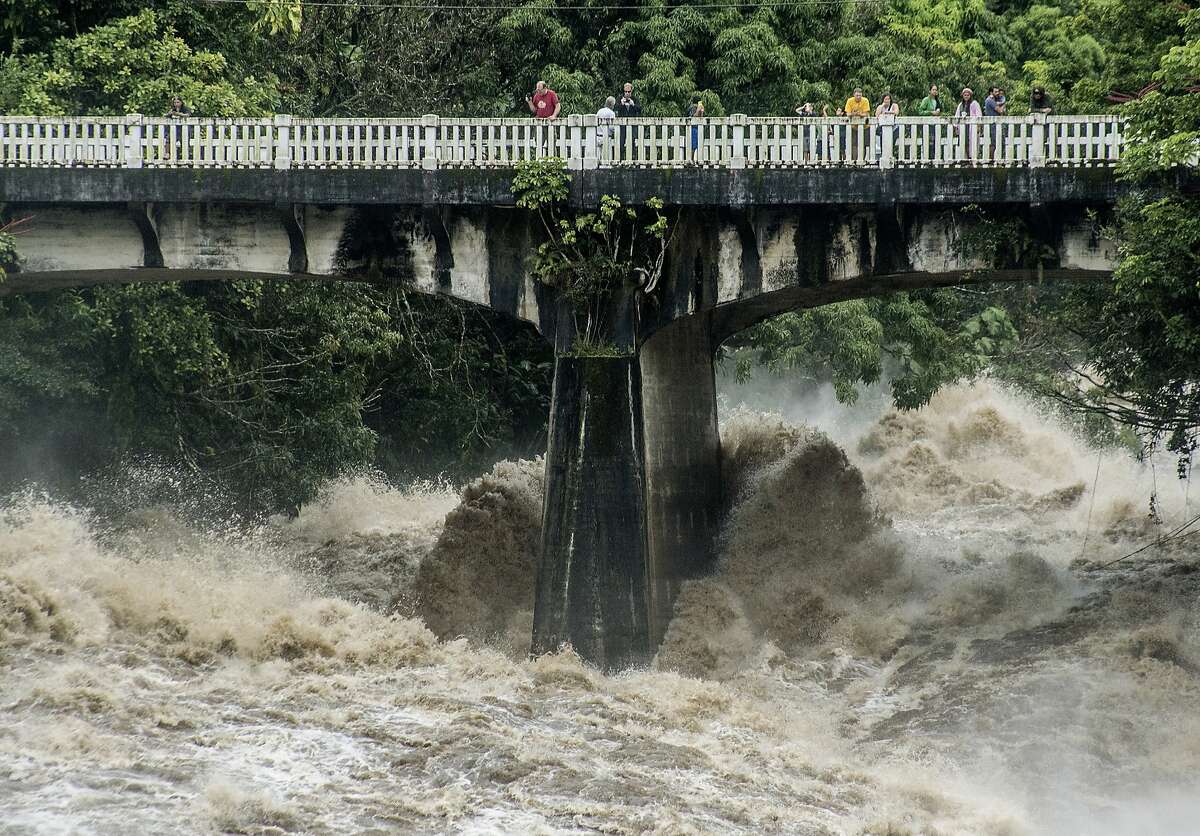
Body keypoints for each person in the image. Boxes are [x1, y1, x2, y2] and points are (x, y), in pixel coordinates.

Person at [955, 87, 983, 161]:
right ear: (963, 96)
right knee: (963, 143)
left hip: (971, 128)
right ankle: (965, 159)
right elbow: (957, 116)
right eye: (965, 95)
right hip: (963, 128)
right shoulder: (960, 105)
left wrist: (978, 126)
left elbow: (979, 116)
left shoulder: (974, 104)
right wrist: (956, 128)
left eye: (968, 95)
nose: (966, 96)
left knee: (972, 144)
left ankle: (972, 159)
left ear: (970, 96)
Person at [596, 96, 617, 161]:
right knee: (607, 158)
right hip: (607, 137)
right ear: (612, 104)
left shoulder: (600, 111)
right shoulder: (611, 113)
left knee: (597, 157)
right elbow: (611, 127)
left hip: (598, 136)